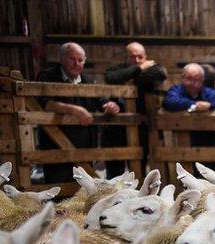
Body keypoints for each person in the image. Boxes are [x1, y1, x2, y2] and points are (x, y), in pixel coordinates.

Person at [36, 43, 120, 184]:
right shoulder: (48, 76)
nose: (76, 64)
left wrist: (109, 105)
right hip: (56, 146)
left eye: (80, 60)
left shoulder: (87, 81)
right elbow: (44, 103)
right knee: (59, 187)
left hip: (84, 146)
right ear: (61, 59)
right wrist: (75, 110)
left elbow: (100, 100)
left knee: (83, 187)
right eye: (72, 59)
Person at [104, 41, 168, 178]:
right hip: (116, 126)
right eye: (133, 56)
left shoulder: (153, 67)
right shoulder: (115, 69)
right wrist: (140, 68)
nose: (137, 60)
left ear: (146, 57)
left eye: (140, 57)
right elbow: (111, 78)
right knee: (115, 170)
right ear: (126, 57)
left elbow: (161, 73)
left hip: (141, 127)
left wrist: (129, 78)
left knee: (139, 168)